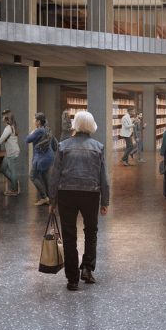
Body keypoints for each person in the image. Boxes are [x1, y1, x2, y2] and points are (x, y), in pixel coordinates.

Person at [49, 110, 109, 291]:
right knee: (91, 231)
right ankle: (87, 270)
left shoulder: (63, 146)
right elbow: (103, 177)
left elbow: (55, 175)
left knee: (69, 235)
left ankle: (72, 278)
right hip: (91, 194)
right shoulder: (98, 147)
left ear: (75, 124)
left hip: (66, 193)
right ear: (91, 125)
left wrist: (52, 200)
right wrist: (105, 201)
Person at [26, 112, 55, 205]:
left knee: (33, 176)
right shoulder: (47, 129)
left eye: (34, 119)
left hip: (42, 158)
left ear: (38, 121)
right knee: (45, 178)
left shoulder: (39, 131)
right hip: (48, 156)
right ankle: (50, 198)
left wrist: (32, 132)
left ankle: (44, 197)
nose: (33, 120)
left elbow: (27, 139)